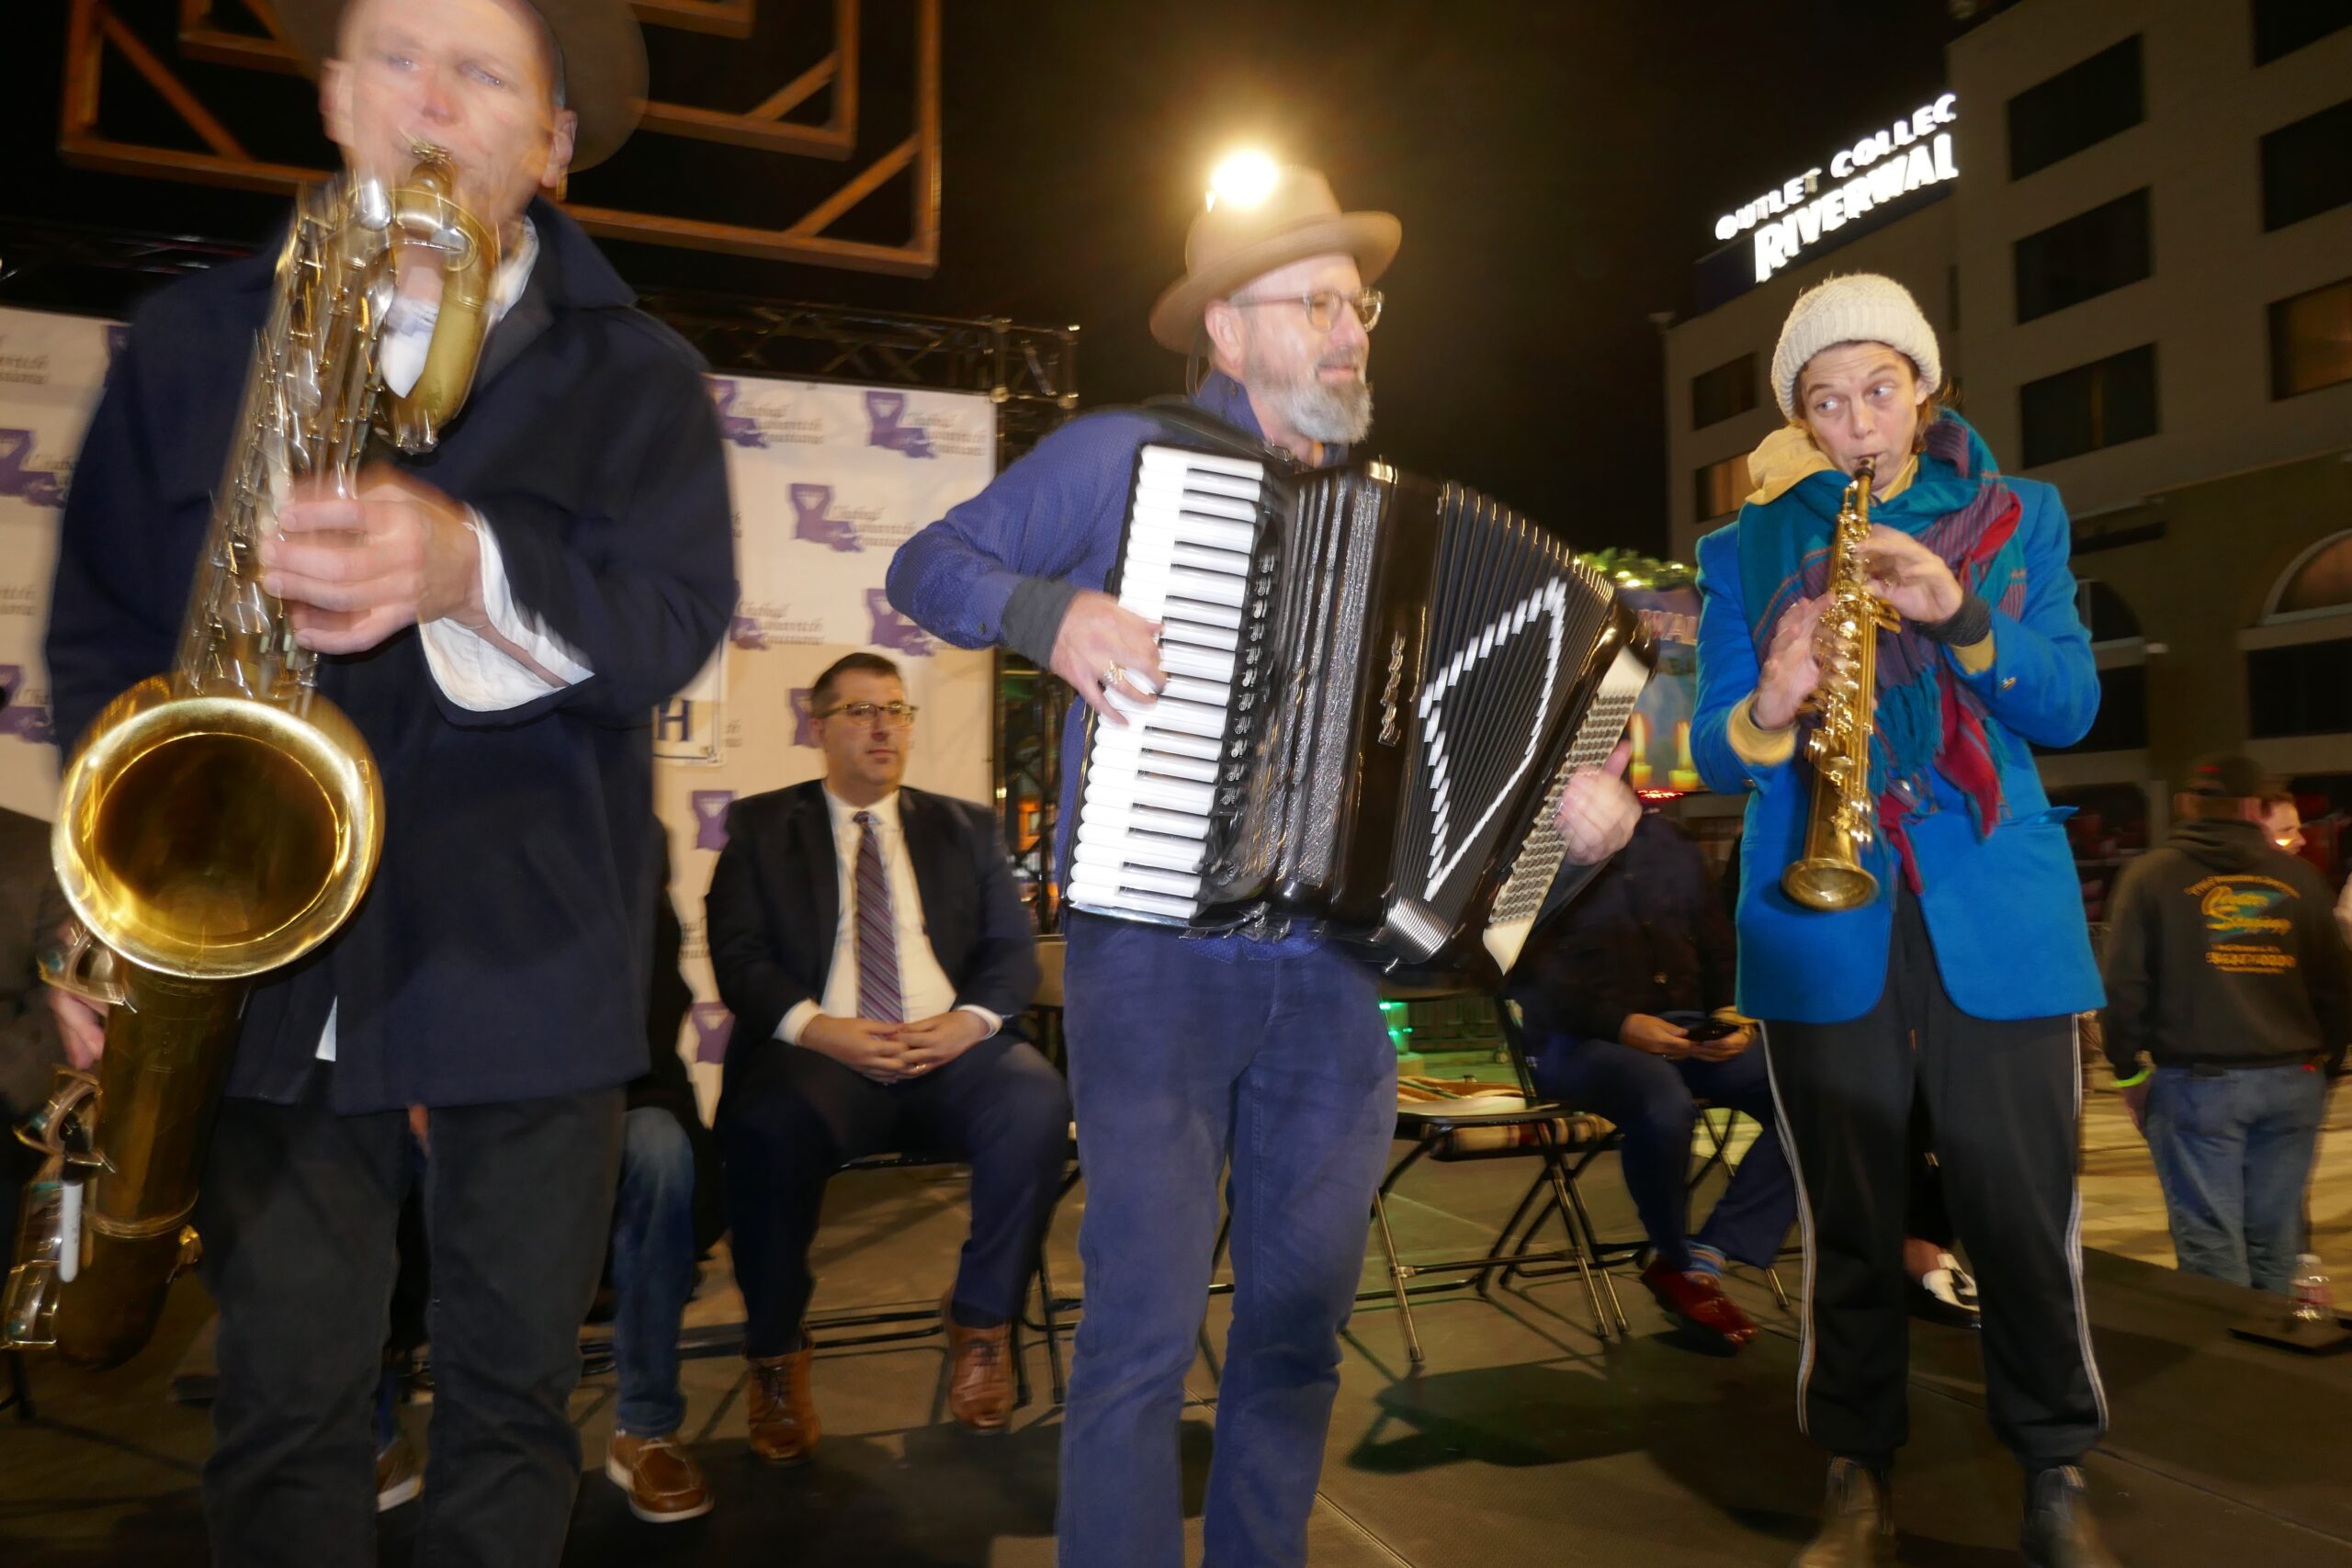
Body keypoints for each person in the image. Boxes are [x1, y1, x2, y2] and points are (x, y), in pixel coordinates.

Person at [41, 0, 736, 1561]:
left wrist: (467, 563)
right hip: (264, 965)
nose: (431, 100)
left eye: (483, 73)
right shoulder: (191, 344)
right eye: (395, 57)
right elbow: (103, 644)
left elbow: (670, 627)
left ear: (551, 145)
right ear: (338, 95)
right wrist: (106, 919)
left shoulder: (645, 378)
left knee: (505, 1415)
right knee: (283, 1414)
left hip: (534, 967)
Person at [886, 163, 1642, 1568]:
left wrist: (1575, 820)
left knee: (1297, 1331)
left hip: (1341, 983)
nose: (1351, 330)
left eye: (1360, 306)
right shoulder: (1126, 456)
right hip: (1158, 961)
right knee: (1140, 1328)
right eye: (1315, 304)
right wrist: (1049, 612)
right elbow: (928, 565)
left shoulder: (1401, 525)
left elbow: (1480, 816)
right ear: (1227, 333)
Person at [1690, 274, 2113, 1568]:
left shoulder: (2022, 516)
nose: (1857, 420)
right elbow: (1715, 747)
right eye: (1826, 402)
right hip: (1829, 909)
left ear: (1924, 390)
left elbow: (2073, 705)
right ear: (1804, 422)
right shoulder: (1746, 546)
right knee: (1854, 1218)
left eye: (1879, 388)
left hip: (1996, 895)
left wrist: (1966, 616)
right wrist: (1771, 695)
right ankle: (1855, 1464)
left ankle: (2055, 1469)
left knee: (2020, 1205)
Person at [704, 652, 1061, 1462]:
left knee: (1035, 1100)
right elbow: (740, 954)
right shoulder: (763, 827)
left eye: (896, 711)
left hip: (950, 1048)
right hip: (827, 1055)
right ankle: (775, 1351)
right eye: (861, 710)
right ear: (818, 725)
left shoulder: (964, 826)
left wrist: (969, 1022)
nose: (882, 727)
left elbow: (1011, 952)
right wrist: (819, 1027)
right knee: (766, 1124)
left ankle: (981, 1320)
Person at [1509, 810, 1795, 1351]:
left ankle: (1713, 1250)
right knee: (1663, 1102)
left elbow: (1716, 938)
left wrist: (1731, 1011)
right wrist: (1620, 1024)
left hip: (1689, 1028)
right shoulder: (1527, 842)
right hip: (1578, 1040)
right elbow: (1516, 969)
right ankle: (1676, 1258)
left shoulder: (1663, 835)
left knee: (1805, 1094)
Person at [2099, 753, 2348, 1294]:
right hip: (2291, 1079)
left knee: (2213, 1252)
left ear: (2188, 804)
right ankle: (2276, 1366)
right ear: (2255, 808)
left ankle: (2228, 1369)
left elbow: (2123, 989)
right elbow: (2336, 987)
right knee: (2276, 1243)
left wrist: (2127, 1071)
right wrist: (2324, 1065)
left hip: (2197, 1085)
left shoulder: (2151, 877)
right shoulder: (2301, 882)